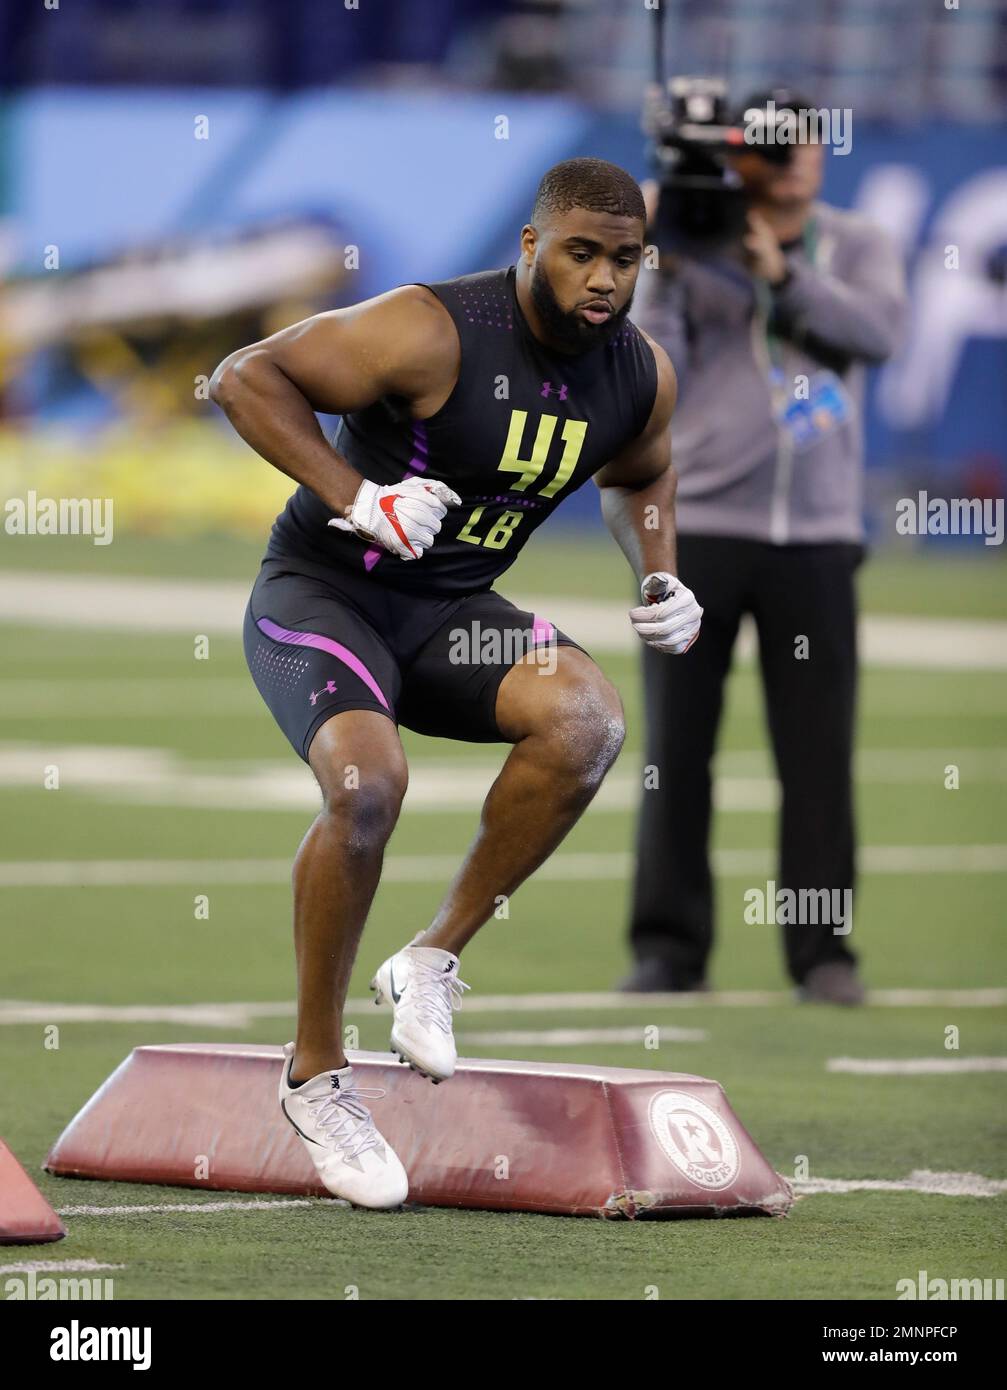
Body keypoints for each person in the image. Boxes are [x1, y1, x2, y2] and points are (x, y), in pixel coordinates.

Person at [210, 157, 703, 1209]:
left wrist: (659, 568)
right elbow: (245, 376)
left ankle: (430, 958)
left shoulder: (635, 372)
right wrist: (358, 496)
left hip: (447, 623)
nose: (603, 278)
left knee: (584, 720)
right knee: (365, 787)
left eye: (624, 258)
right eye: (580, 252)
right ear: (530, 246)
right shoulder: (432, 328)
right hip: (327, 597)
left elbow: (642, 468)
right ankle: (313, 1073)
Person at [621, 90, 907, 1003]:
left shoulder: (856, 242)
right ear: (736, 158)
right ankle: (668, 948)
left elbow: (878, 334)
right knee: (677, 745)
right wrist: (664, 260)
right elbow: (645, 364)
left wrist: (779, 273)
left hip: (817, 536)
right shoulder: (691, 240)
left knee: (816, 751)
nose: (794, 164)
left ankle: (820, 954)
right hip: (701, 524)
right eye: (773, 150)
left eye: (805, 147)